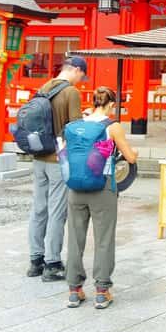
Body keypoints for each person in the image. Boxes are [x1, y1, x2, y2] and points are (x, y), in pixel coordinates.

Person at [66, 87, 139, 309]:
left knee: (75, 239)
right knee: (104, 239)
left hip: (75, 187)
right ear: (111, 105)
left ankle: (74, 291)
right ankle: (102, 291)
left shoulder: (76, 125)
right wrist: (134, 153)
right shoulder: (112, 126)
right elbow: (129, 157)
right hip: (102, 187)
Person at [27, 56, 87, 282]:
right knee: (57, 210)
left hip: (38, 156)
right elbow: (75, 128)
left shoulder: (44, 87)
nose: (81, 80)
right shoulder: (71, 92)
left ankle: (35, 260)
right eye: (81, 75)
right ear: (77, 70)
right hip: (57, 159)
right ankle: (52, 263)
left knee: (38, 208)